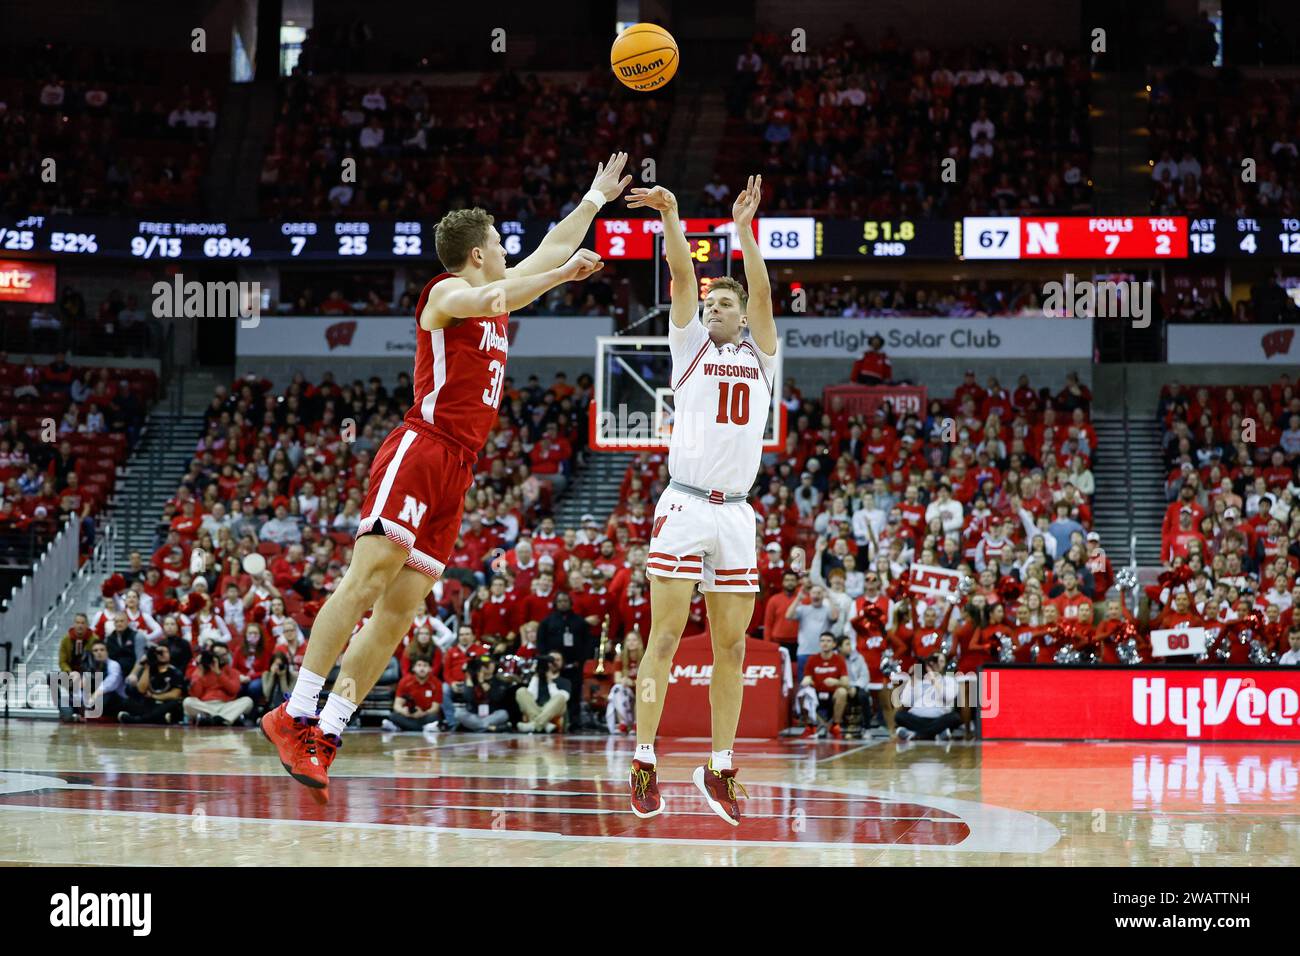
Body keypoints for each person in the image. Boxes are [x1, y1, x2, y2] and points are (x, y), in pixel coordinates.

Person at [262, 153, 626, 802]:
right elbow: (495, 292)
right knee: (365, 580)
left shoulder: (499, 287)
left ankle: (330, 730)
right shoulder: (446, 293)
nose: (508, 250)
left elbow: (551, 246)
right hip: (420, 449)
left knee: (400, 612)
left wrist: (595, 198)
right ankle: (294, 711)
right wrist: (561, 277)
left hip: (459, 469)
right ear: (478, 253)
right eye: (499, 243)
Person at [624, 175, 778, 825]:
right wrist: (673, 219)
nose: (712, 306)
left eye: (724, 303)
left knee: (733, 648)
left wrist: (744, 232)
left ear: (740, 316)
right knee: (663, 636)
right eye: (709, 302)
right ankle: (642, 760)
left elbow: (763, 293)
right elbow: (683, 278)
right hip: (685, 504)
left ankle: (719, 766)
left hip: (737, 511)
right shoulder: (687, 346)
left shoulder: (764, 353)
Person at [894, 654, 962, 741]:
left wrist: (934, 680)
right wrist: (912, 679)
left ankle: (917, 734)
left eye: (941, 661)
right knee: (899, 716)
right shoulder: (917, 680)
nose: (935, 664)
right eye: (933, 662)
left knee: (955, 717)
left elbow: (948, 697)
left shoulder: (949, 680)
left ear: (945, 665)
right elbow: (906, 701)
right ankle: (936, 734)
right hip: (917, 718)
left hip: (939, 718)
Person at [183, 643, 255, 726]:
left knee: (247, 701)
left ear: (228, 655)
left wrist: (219, 673)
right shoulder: (201, 671)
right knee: (187, 701)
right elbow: (196, 694)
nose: (221, 657)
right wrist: (200, 672)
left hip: (226, 705)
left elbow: (234, 690)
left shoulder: (232, 672)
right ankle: (223, 719)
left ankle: (212, 719)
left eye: (224, 654)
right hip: (205, 705)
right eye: (217, 654)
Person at [119, 643, 185, 724]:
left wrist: (154, 696)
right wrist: (148, 665)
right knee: (128, 702)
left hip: (165, 703)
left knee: (174, 703)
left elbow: (175, 695)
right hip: (150, 705)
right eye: (159, 652)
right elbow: (141, 690)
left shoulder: (175, 672)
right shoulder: (150, 670)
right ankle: (160, 719)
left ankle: (138, 720)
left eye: (165, 652)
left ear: (170, 654)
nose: (162, 654)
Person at [516, 651, 571, 732]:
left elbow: (564, 699)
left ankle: (534, 725)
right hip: (536, 708)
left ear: (562, 663)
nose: (554, 662)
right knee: (521, 691)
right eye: (551, 660)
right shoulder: (537, 679)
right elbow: (531, 697)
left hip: (555, 709)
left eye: (557, 660)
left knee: (560, 697)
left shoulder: (565, 681)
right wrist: (536, 676)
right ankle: (544, 725)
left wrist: (550, 682)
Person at [383, 657, 442, 732]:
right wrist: (404, 711)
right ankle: (424, 728)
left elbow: (435, 708)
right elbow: (397, 705)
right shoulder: (405, 682)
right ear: (413, 668)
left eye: (425, 666)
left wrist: (423, 713)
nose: (422, 668)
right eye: (419, 665)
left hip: (425, 715)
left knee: (434, 717)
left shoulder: (436, 683)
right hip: (408, 715)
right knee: (394, 716)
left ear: (430, 669)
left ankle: (401, 727)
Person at [454, 656, 512, 732]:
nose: (488, 667)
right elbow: (468, 699)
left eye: (490, 664)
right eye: (485, 665)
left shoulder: (499, 681)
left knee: (504, 714)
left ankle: (477, 727)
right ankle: (488, 728)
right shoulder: (472, 681)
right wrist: (469, 683)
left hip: (492, 715)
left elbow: (497, 698)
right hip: (474, 715)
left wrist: (482, 683)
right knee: (458, 713)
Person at [606, 631, 643, 734]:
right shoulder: (620, 657)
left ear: (639, 642)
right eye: (629, 640)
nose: (631, 643)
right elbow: (617, 679)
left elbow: (647, 679)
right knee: (617, 688)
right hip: (627, 693)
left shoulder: (645, 657)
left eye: (634, 640)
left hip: (642, 690)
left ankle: (637, 724)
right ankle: (623, 723)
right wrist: (624, 681)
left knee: (640, 694)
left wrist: (632, 682)